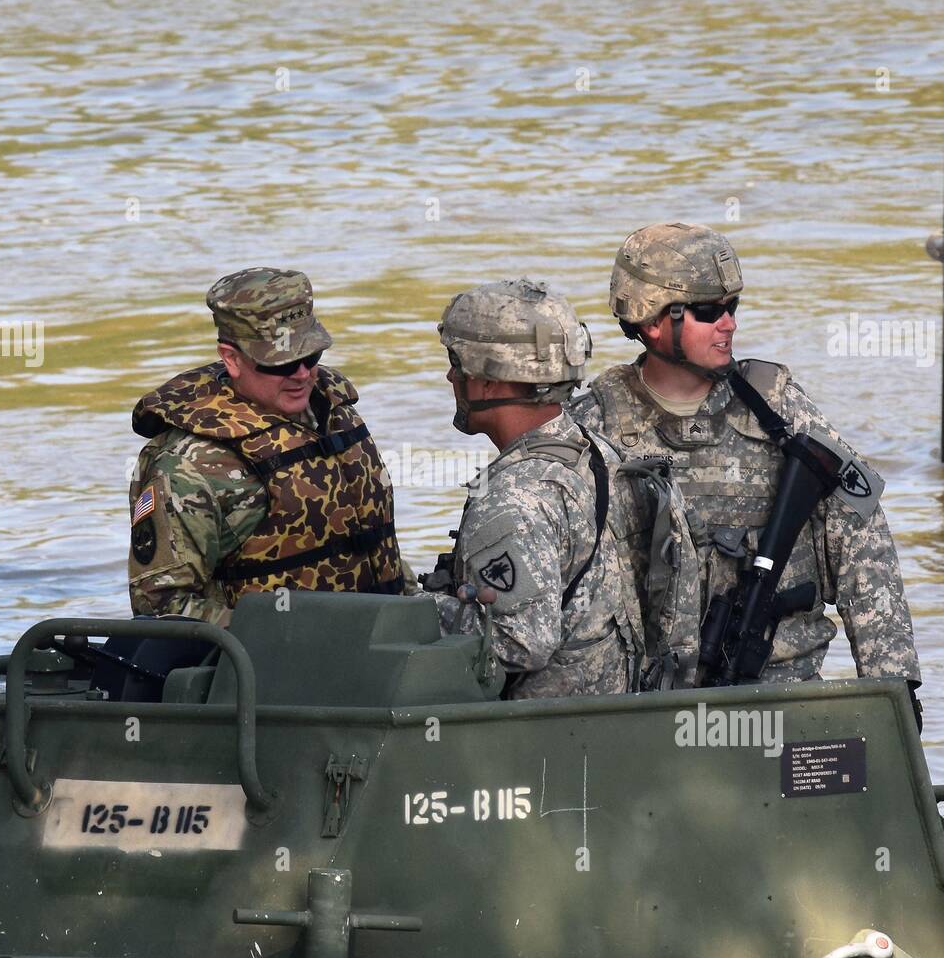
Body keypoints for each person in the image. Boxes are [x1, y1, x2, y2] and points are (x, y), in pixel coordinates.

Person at [570, 223, 922, 712]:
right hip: (646, 710)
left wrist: (895, 687)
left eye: (731, 307)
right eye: (708, 311)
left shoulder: (777, 408)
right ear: (652, 321)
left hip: (782, 694)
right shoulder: (594, 427)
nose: (728, 324)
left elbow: (863, 544)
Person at [425, 278, 696, 699]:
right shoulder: (601, 455)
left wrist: (421, 609)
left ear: (487, 379)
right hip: (620, 712)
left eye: (456, 363)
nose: (449, 375)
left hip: (544, 729)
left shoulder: (513, 497)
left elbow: (519, 642)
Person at [128, 266, 405, 624]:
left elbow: (368, 538)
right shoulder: (189, 466)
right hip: (271, 655)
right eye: (282, 363)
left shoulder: (334, 413)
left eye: (310, 356)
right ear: (232, 359)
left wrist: (413, 605)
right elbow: (161, 607)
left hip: (383, 637)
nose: (302, 374)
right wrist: (275, 636)